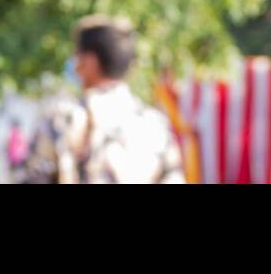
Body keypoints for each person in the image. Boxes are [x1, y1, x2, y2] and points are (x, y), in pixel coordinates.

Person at [21, 15, 183, 184]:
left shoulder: (64, 117)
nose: (74, 65)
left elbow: (32, 177)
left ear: (90, 61)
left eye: (77, 55)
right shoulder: (155, 124)